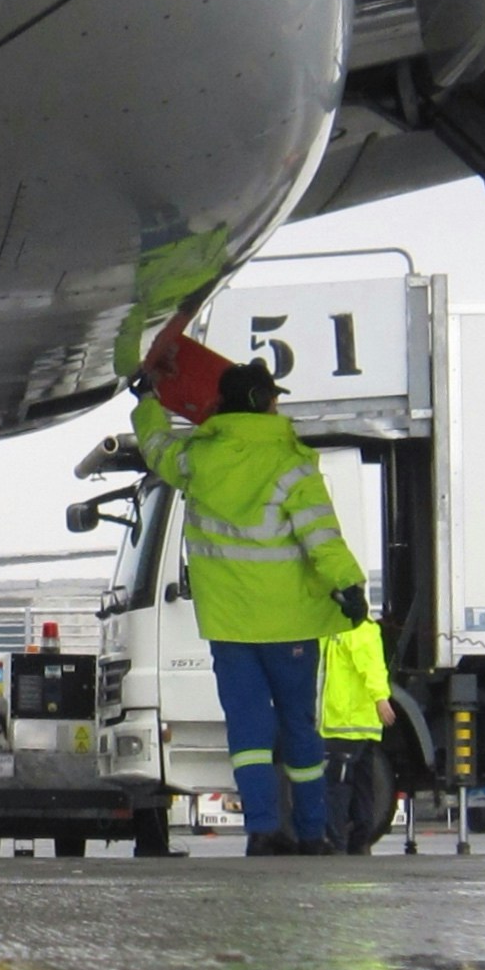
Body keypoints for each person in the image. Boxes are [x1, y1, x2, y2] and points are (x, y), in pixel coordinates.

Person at [129, 357, 367, 856]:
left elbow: (155, 450)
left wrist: (148, 403)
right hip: (290, 623)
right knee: (300, 728)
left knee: (249, 730)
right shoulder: (290, 461)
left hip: (230, 624)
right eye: (274, 396)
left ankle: (261, 830)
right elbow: (321, 536)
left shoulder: (199, 460)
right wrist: (348, 585)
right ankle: (312, 831)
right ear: (262, 401)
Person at [318, 610, 396, 854]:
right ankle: (359, 842)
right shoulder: (343, 630)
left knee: (338, 788)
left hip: (345, 724)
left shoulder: (353, 631)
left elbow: (372, 669)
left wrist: (381, 698)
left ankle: (337, 844)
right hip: (358, 725)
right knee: (362, 786)